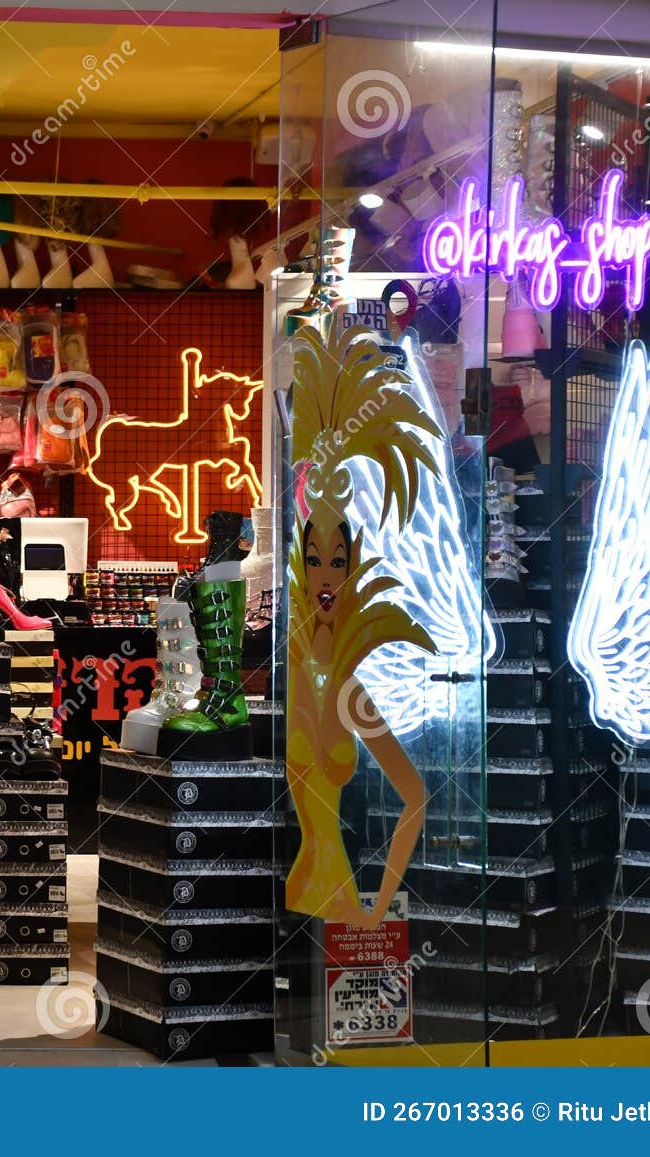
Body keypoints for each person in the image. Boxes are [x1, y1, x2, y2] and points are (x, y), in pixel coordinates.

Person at [285, 321, 440, 929]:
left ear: (353, 571)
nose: (326, 574)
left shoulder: (347, 689)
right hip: (301, 892)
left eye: (339, 561)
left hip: (341, 904)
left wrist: (378, 910)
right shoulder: (296, 666)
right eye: (315, 557)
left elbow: (416, 800)